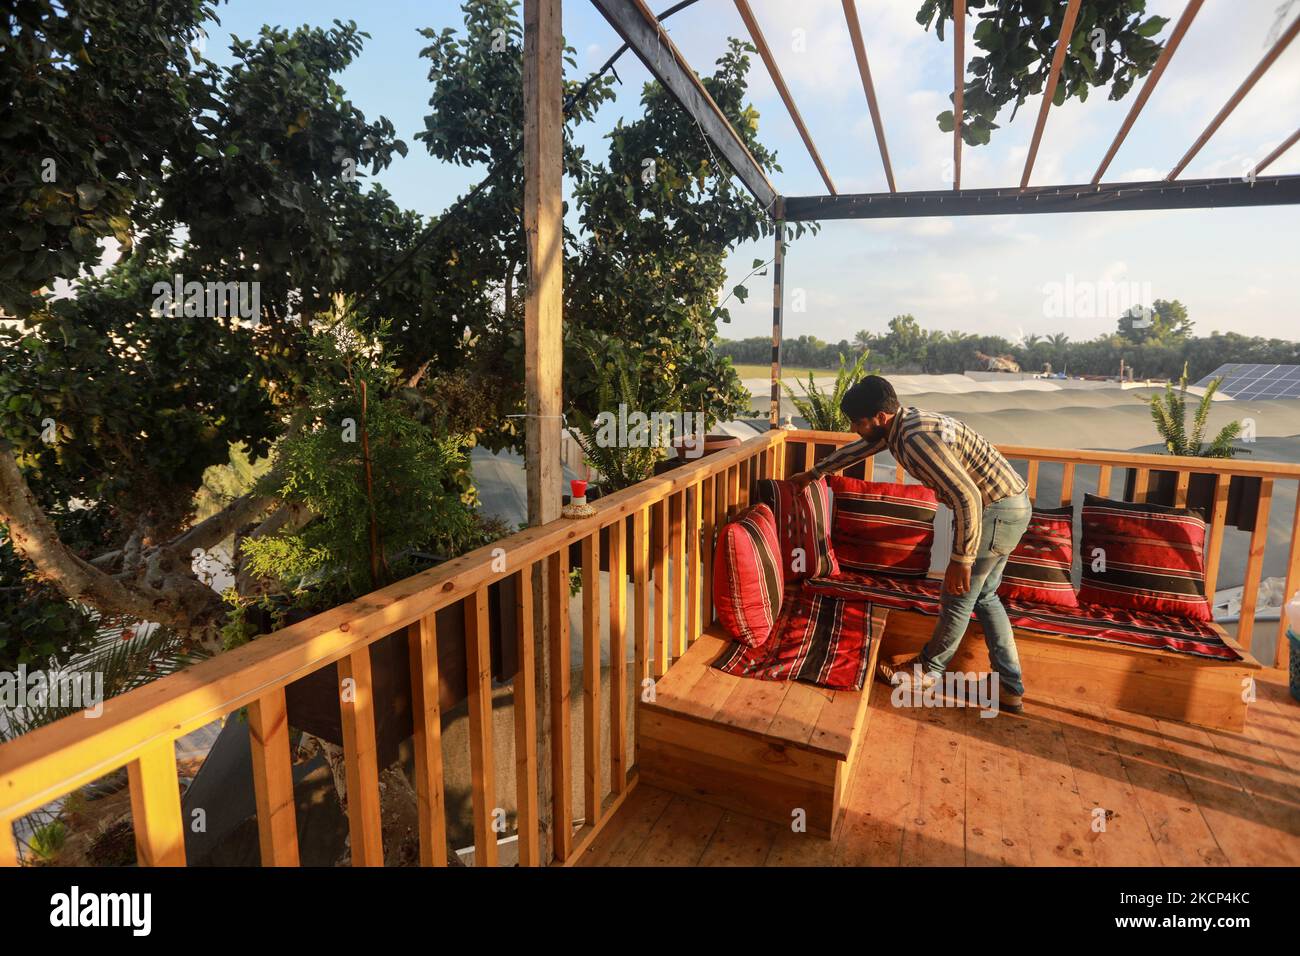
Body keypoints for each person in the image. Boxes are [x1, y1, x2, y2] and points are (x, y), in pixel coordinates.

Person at [790, 375, 1032, 713]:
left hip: (995, 510)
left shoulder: (916, 438)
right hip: (1010, 505)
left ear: (880, 418)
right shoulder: (901, 426)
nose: (854, 428)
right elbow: (862, 447)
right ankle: (1010, 688)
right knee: (985, 597)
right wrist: (816, 472)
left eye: (858, 422)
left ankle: (926, 672)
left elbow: (968, 497)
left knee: (958, 596)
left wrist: (961, 559)